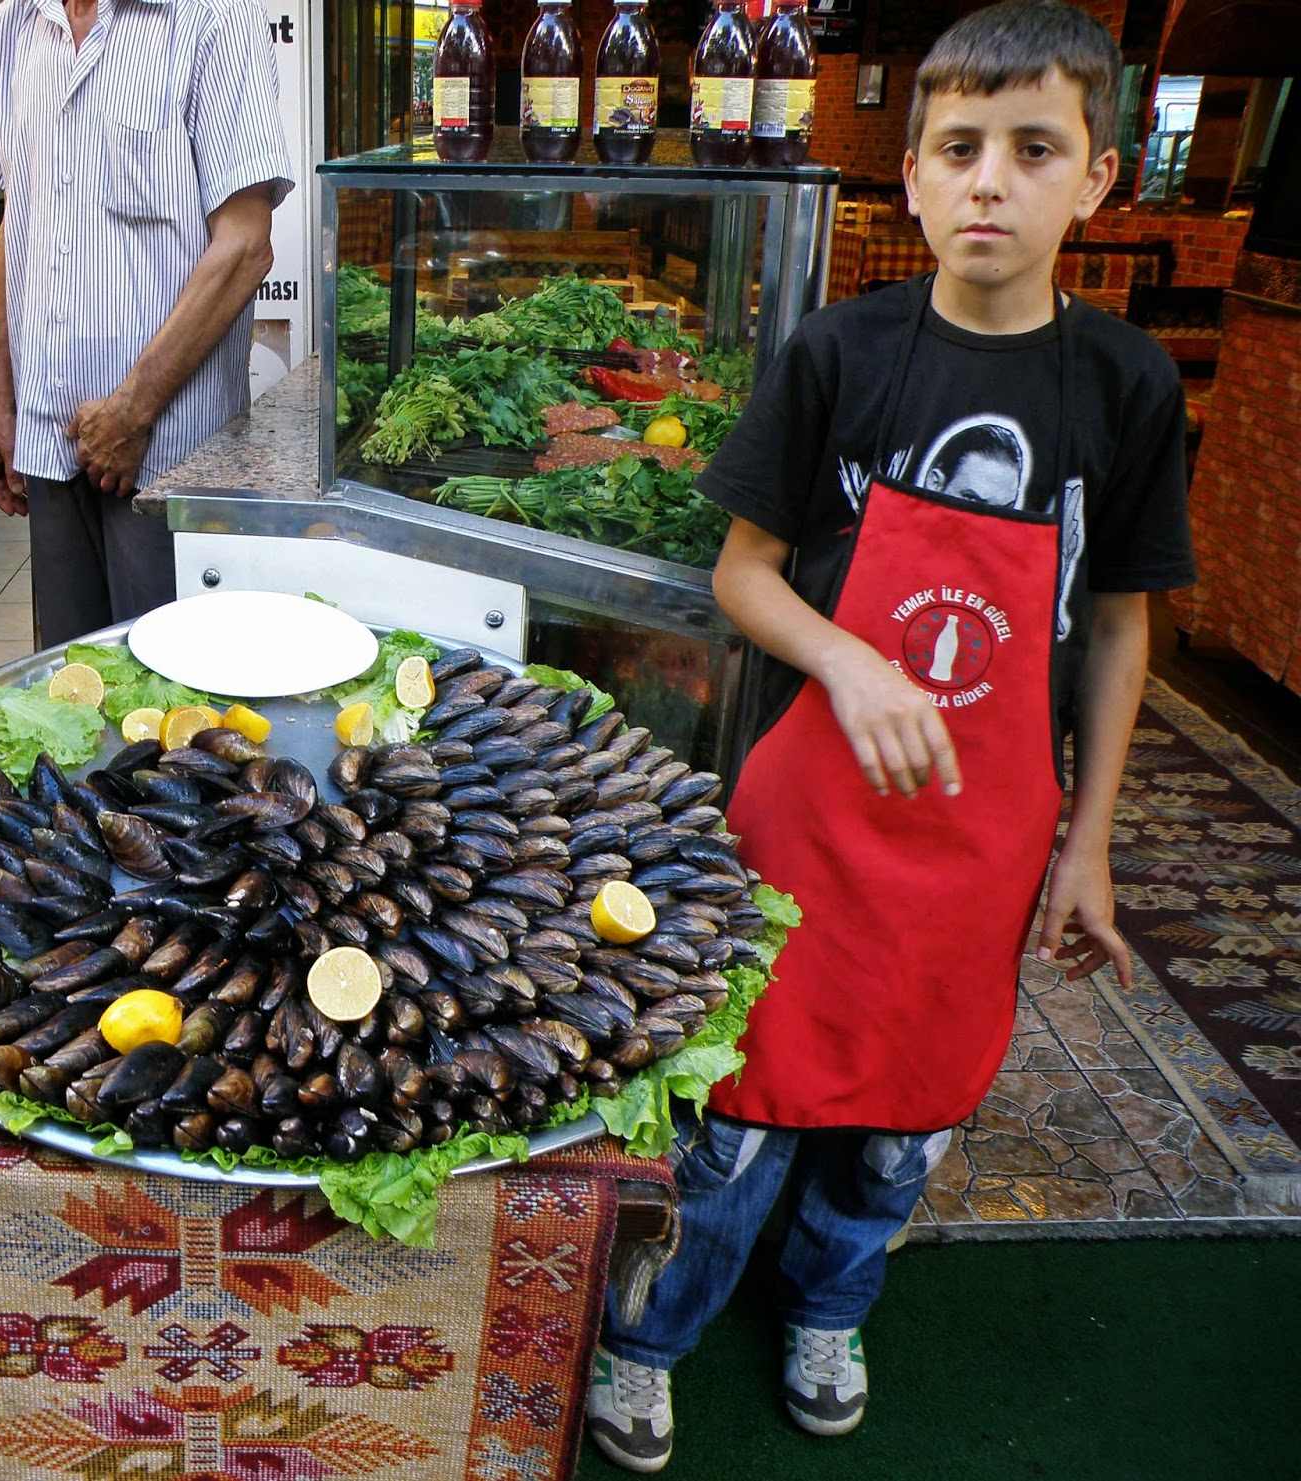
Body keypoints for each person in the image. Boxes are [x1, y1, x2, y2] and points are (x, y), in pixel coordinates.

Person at [587, 3, 1196, 1468]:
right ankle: (650, 1332)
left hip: (985, 839)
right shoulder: (839, 351)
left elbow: (1117, 626)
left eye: (1033, 149)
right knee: (744, 1105)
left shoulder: (1125, 386)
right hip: (809, 816)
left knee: (907, 1116)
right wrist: (847, 660)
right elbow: (743, 571)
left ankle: (830, 1304)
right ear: (910, 179)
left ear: (1098, 180)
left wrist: (1086, 843)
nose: (992, 181)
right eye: (959, 149)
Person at [0, 0, 293, 647]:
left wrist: (132, 410)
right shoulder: (13, 28)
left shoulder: (213, 17)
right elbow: (16, 224)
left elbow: (245, 244)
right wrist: (2, 400)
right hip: (50, 447)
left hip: (172, 457)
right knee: (74, 691)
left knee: (176, 711)